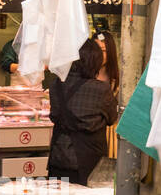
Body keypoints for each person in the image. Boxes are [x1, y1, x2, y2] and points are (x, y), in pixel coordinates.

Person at [46, 37, 120, 185]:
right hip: (89, 159)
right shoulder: (101, 89)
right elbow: (112, 118)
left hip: (59, 156)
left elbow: (55, 115)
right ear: (95, 61)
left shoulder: (55, 85)